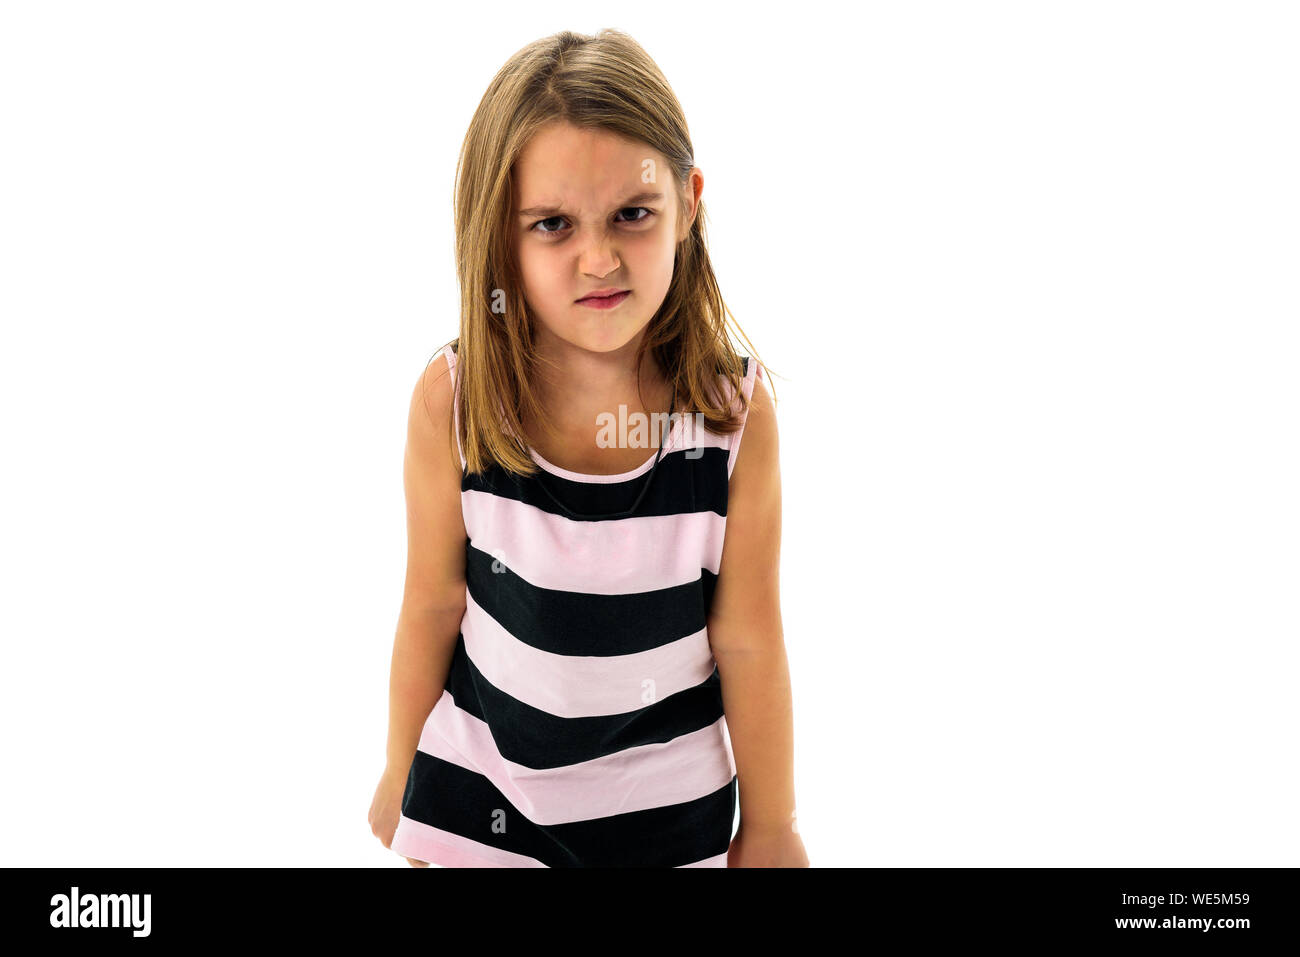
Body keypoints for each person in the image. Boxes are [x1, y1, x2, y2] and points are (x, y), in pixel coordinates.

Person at [367, 28, 806, 867]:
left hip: (668, 817)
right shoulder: (455, 406)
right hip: (482, 801)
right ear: (503, 234)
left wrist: (774, 824)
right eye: (553, 225)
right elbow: (432, 604)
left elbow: (748, 639)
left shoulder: (731, 418)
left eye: (632, 215)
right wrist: (402, 769)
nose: (598, 258)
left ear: (687, 205)